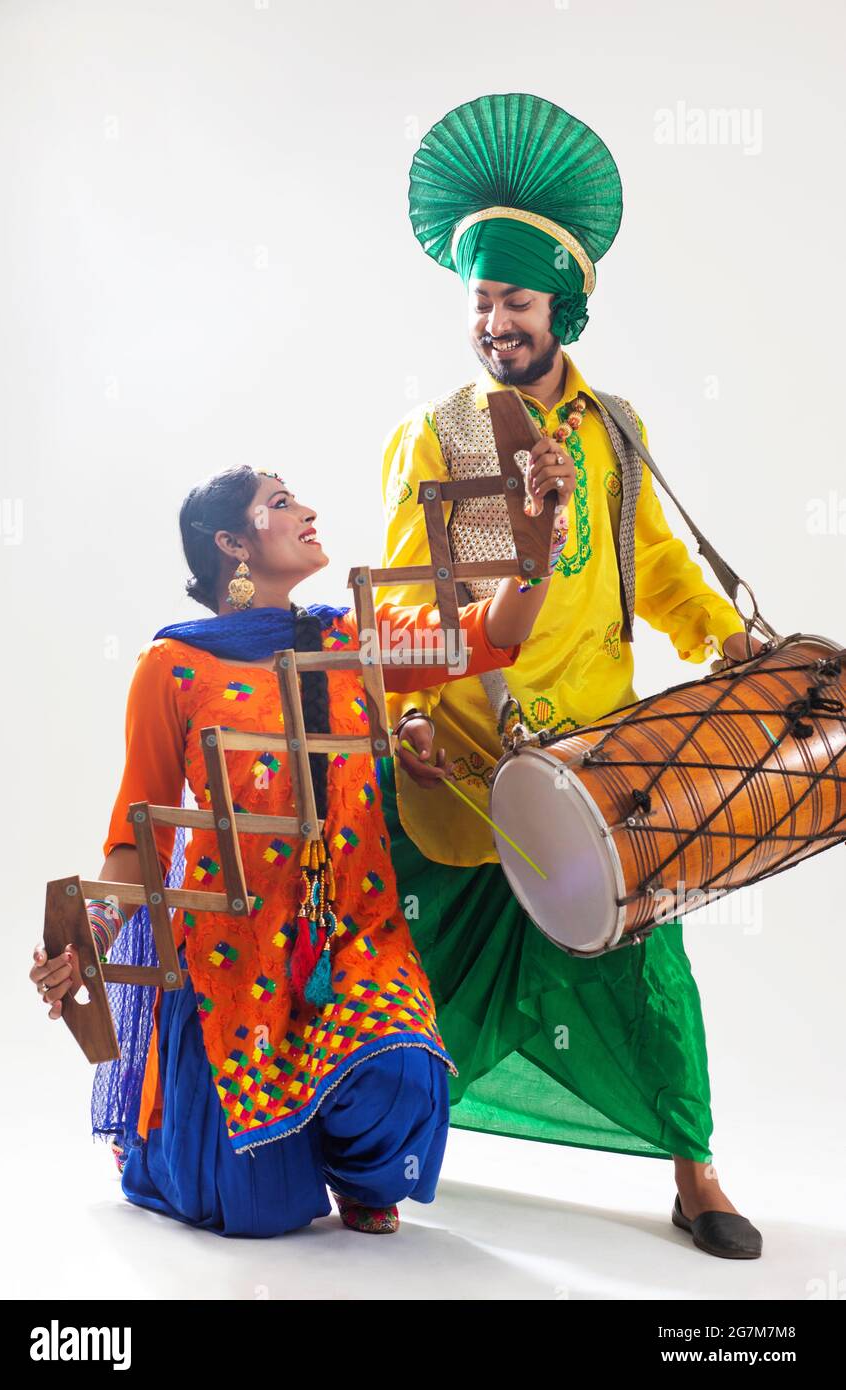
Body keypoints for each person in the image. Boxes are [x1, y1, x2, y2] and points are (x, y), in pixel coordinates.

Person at [375, 92, 764, 1259]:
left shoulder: (613, 428)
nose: (493, 322)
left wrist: (719, 640)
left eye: (516, 301)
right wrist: (400, 709)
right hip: (458, 756)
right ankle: (362, 1146)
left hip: (596, 758)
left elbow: (652, 564)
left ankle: (694, 1169)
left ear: (565, 307)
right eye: (481, 300)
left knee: (648, 967)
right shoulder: (445, 432)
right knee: (410, 957)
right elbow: (399, 597)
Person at [29, 463, 559, 1238]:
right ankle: (181, 1141)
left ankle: (353, 1167)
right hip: (230, 956)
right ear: (231, 544)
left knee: (405, 1075)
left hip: (352, 931)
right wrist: (93, 941)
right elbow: (140, 836)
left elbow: (490, 636)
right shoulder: (171, 667)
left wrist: (537, 542)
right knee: (252, 1214)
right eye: (281, 503)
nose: (307, 510)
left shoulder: (354, 638)